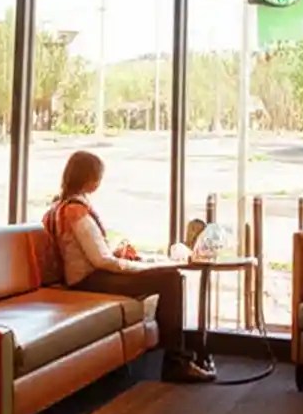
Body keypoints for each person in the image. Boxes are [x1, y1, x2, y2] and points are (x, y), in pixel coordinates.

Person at [42, 151, 214, 384]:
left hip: (88, 276)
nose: (99, 181)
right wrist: (137, 267)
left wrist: (124, 257)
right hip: (89, 280)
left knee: (167, 276)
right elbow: (101, 261)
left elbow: (86, 253)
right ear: (89, 178)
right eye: (98, 176)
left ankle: (178, 357)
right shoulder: (76, 211)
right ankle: (176, 363)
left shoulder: (61, 206)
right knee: (170, 279)